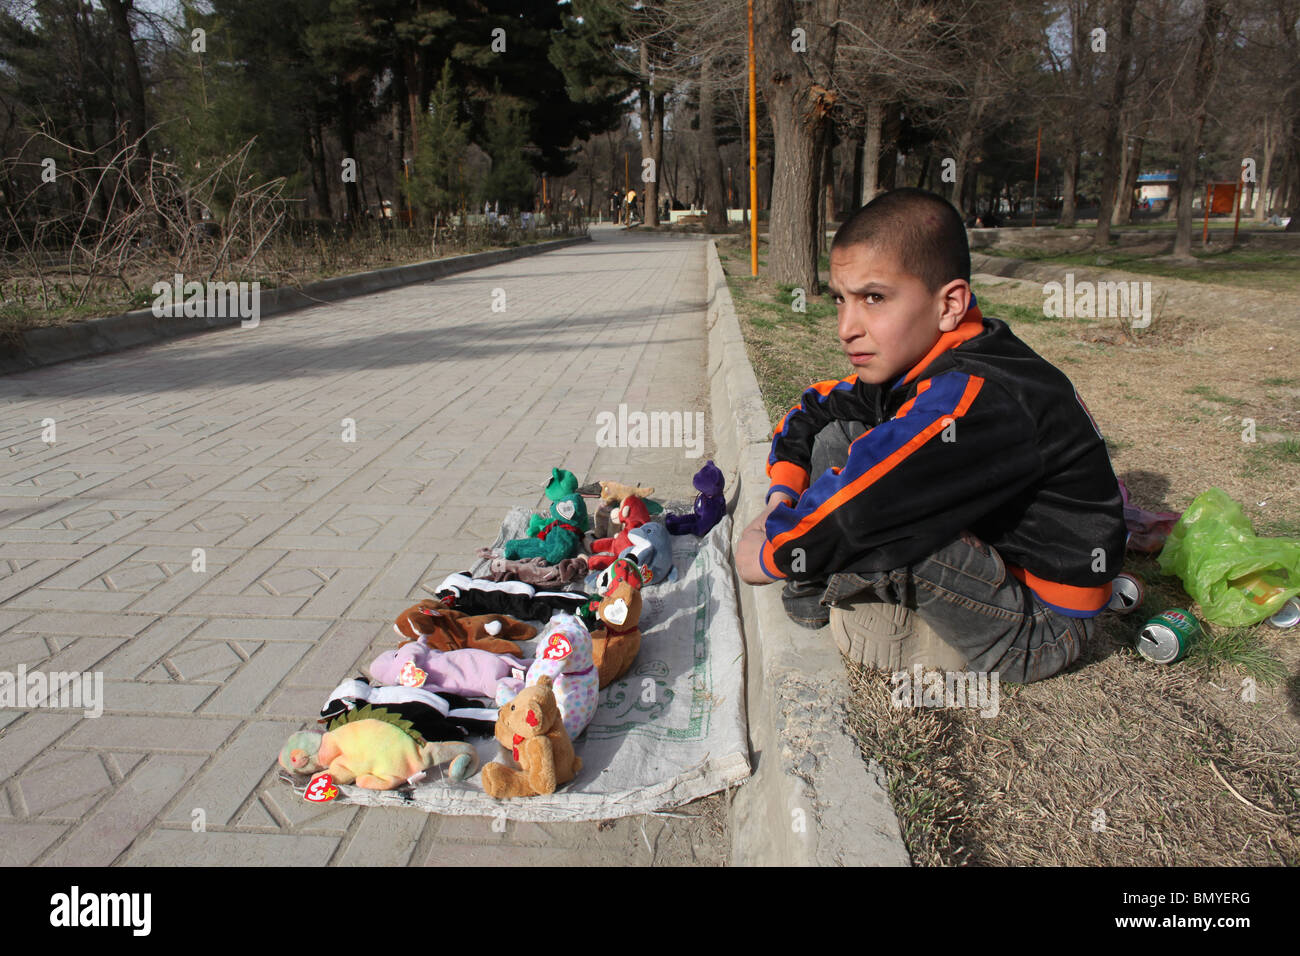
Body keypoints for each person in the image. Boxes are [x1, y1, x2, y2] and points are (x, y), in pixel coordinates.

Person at [734, 187, 1126, 683]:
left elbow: (866, 507)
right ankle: (825, 577)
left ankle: (814, 591)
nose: (846, 327)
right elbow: (812, 406)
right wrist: (780, 495)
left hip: (1041, 623)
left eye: (874, 298)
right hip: (999, 559)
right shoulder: (925, 360)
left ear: (949, 305)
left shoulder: (975, 397)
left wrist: (771, 551)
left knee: (883, 516)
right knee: (840, 432)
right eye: (841, 299)